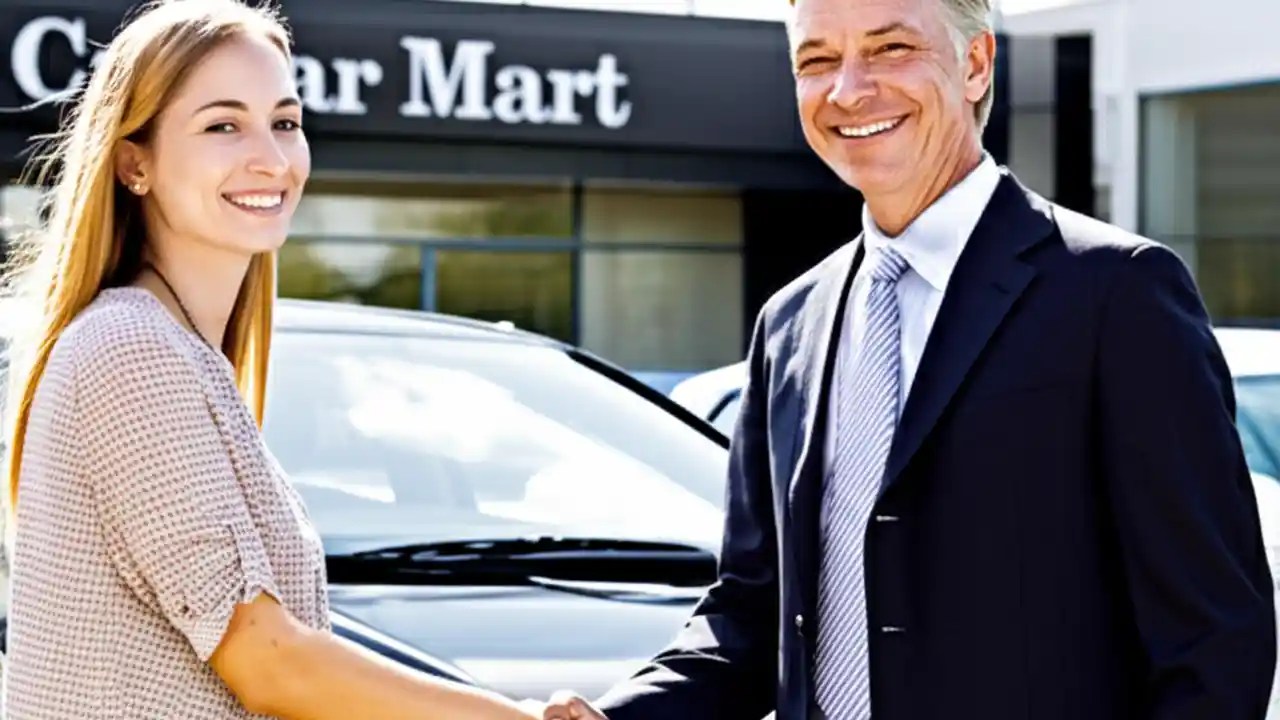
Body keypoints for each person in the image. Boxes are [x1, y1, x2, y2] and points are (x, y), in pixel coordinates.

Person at [542, 0, 1277, 718]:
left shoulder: (1116, 296)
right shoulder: (789, 324)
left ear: (977, 64)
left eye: (891, 49)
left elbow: (1215, 640)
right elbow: (749, 618)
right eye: (818, 59)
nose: (848, 89)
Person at [0, 1, 542, 718]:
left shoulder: (180, 349)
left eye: (285, 122)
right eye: (223, 125)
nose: (273, 157)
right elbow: (269, 663)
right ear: (135, 162)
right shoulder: (130, 348)